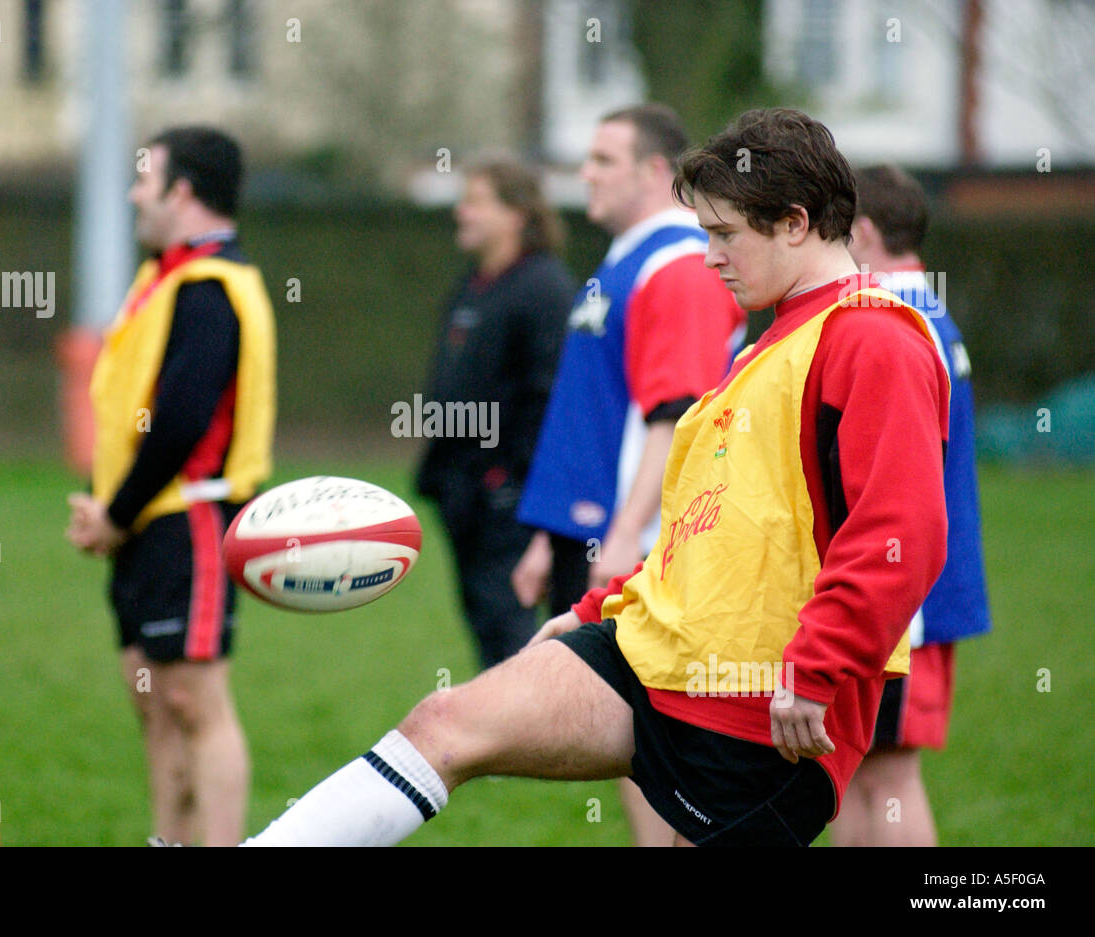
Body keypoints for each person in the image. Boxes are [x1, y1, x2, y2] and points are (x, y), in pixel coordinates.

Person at [240, 107, 950, 848]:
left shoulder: (872, 337)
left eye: (724, 233)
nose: (709, 256)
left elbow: (902, 535)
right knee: (444, 723)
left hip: (755, 704)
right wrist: (597, 607)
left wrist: (818, 666)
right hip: (653, 655)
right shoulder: (765, 345)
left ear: (796, 222)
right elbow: (709, 531)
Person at [510, 103, 745, 844]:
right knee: (625, 732)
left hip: (639, 542)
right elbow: (598, 413)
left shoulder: (677, 265)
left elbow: (675, 417)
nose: (585, 173)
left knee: (654, 733)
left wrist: (622, 536)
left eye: (604, 159)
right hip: (590, 532)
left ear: (654, 170)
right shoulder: (626, 259)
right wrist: (549, 532)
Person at [67, 125, 275, 847]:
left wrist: (116, 511)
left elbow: (182, 420)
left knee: (194, 699)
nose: (133, 195)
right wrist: (107, 505)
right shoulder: (165, 276)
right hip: (146, 521)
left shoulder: (212, 285)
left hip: (193, 519)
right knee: (153, 698)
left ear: (181, 191)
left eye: (144, 180)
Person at [832, 164, 991, 847]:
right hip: (913, 585)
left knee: (889, 775)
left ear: (865, 232)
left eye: (837, 232)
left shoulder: (896, 321)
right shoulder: (927, 313)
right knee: (855, 770)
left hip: (905, 597)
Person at [414, 157, 575, 668]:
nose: (461, 212)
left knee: (513, 638)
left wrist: (507, 480)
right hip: (463, 494)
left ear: (516, 214)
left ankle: (532, 720)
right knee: (487, 631)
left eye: (476, 201)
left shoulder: (544, 288)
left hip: (507, 502)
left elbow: (550, 399)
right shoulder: (474, 283)